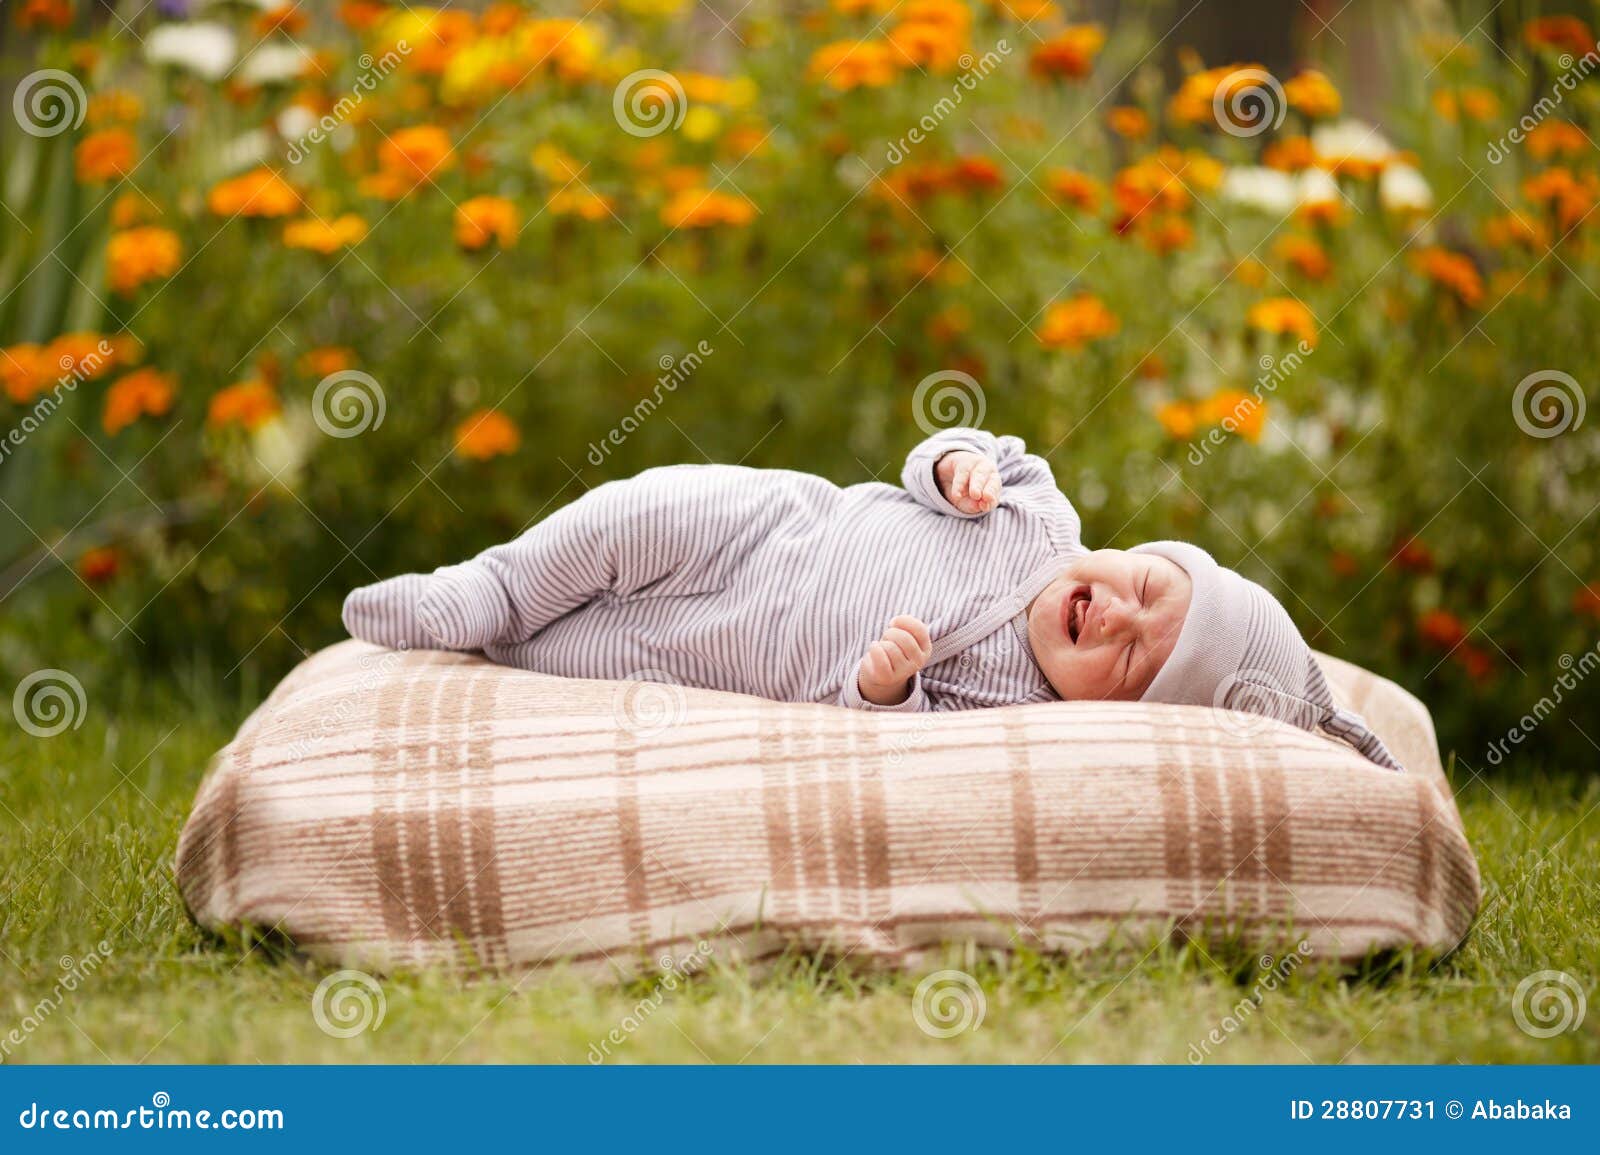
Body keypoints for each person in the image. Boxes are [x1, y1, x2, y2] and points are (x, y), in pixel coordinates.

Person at [343, 427, 1400, 770]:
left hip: (730, 658)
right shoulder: (1037, 518)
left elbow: (898, 739)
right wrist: (954, 470)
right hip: (768, 528)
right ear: (1136, 553)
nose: (1116, 614)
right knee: (636, 512)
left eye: (1132, 656)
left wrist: (886, 688)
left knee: (591, 656)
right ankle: (484, 592)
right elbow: (943, 450)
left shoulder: (1021, 721)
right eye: (1141, 587)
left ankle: (503, 649)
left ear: (1115, 717)